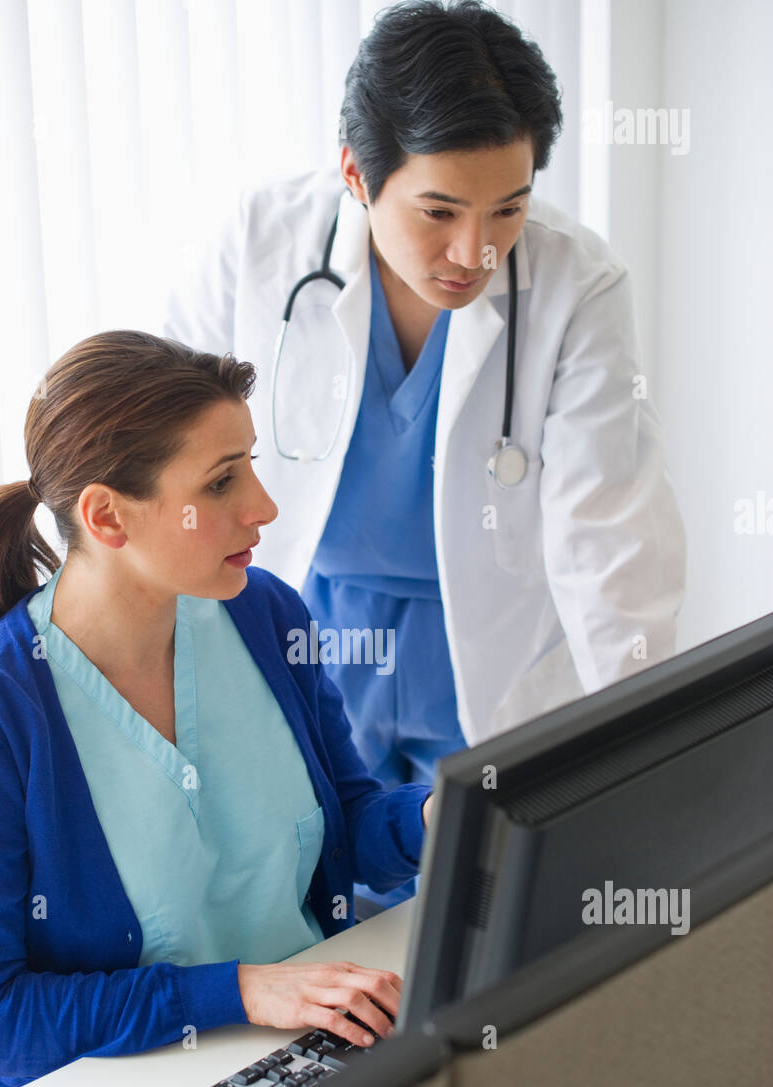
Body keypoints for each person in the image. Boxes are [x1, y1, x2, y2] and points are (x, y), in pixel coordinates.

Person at [163, 0, 686, 913]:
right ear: (357, 176)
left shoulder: (577, 285)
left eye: (509, 209)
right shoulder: (262, 244)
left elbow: (610, 537)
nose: (473, 251)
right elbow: (158, 449)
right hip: (312, 636)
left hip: (488, 650)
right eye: (439, 211)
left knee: (481, 920)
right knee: (316, 912)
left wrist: (640, 757)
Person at [0, 331, 433, 1087]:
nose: (264, 506)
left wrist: (434, 814)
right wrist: (241, 993)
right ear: (108, 518)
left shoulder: (264, 614)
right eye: (221, 483)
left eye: (250, 464)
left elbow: (344, 826)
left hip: (314, 1050)